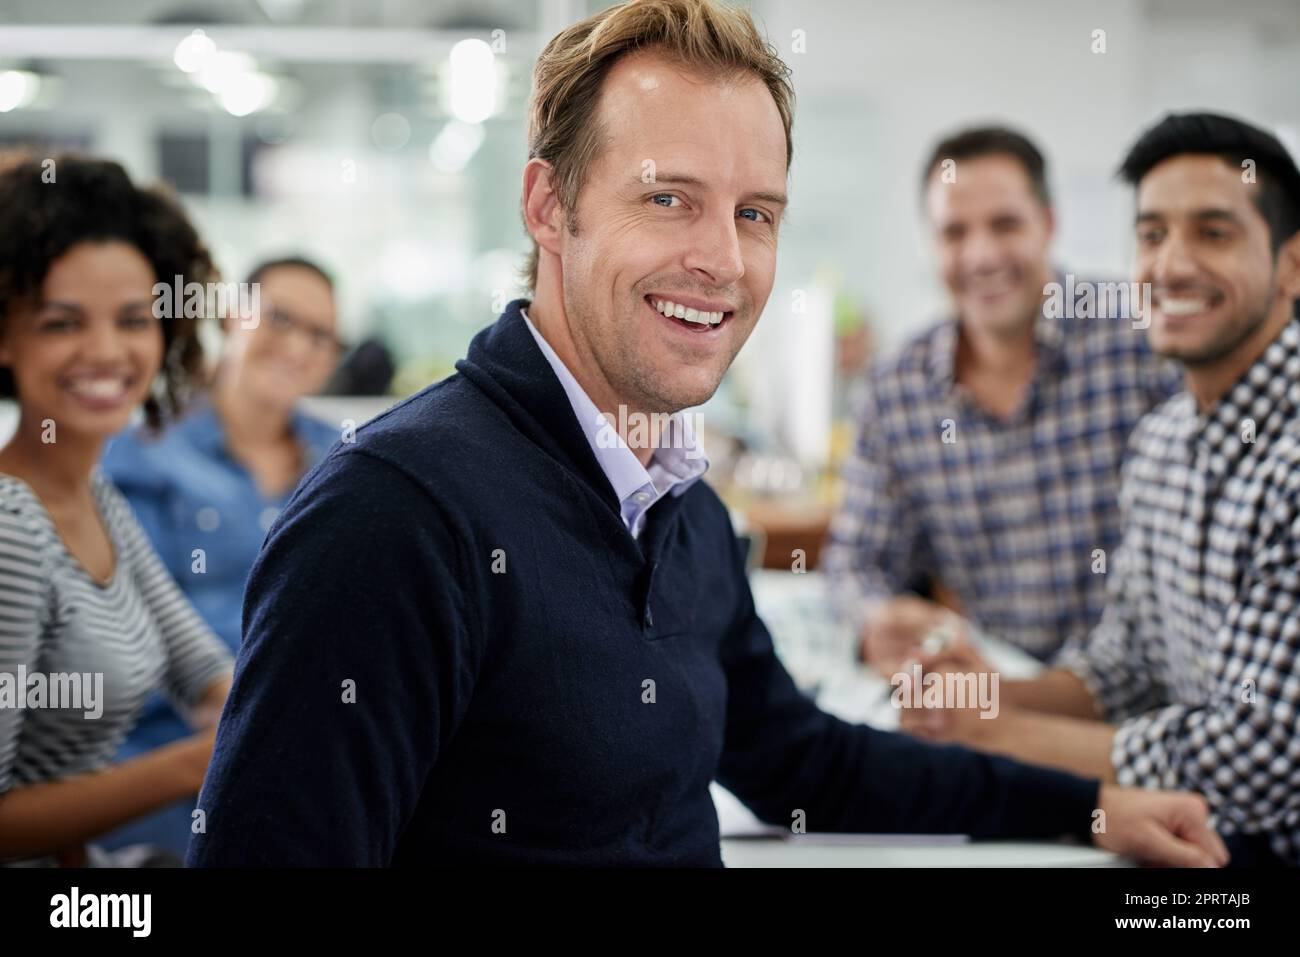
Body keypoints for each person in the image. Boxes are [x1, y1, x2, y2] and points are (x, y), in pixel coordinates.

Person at [188, 0, 1225, 868]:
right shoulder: (391, 512)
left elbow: (802, 760)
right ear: (549, 206)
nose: (721, 260)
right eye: (667, 198)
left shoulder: (675, 501)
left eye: (755, 213)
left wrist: (1079, 805)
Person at [904, 112, 1300, 867]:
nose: (1171, 266)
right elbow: (1126, 665)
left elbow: (1262, 755)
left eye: (1213, 233)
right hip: (1191, 835)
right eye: (1151, 235)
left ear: (1292, 265)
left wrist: (1000, 734)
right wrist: (984, 696)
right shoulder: (1160, 442)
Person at [822, 126, 1181, 674]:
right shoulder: (897, 391)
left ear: (1049, 224)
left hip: (1146, 694)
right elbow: (856, 563)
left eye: (1005, 224)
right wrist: (878, 618)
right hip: (1000, 691)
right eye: (955, 232)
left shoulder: (1143, 342)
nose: (982, 255)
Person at [0, 155, 233, 866]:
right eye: (63, 322)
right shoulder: (11, 525)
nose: (105, 351)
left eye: (134, 319)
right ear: (7, 337)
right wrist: (195, 763)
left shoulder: (92, 493)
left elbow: (204, 673)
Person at [97, 256, 344, 857]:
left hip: (315, 759)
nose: (298, 346)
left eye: (321, 335)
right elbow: (123, 630)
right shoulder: (143, 453)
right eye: (280, 318)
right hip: (168, 771)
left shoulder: (350, 459)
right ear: (235, 313)